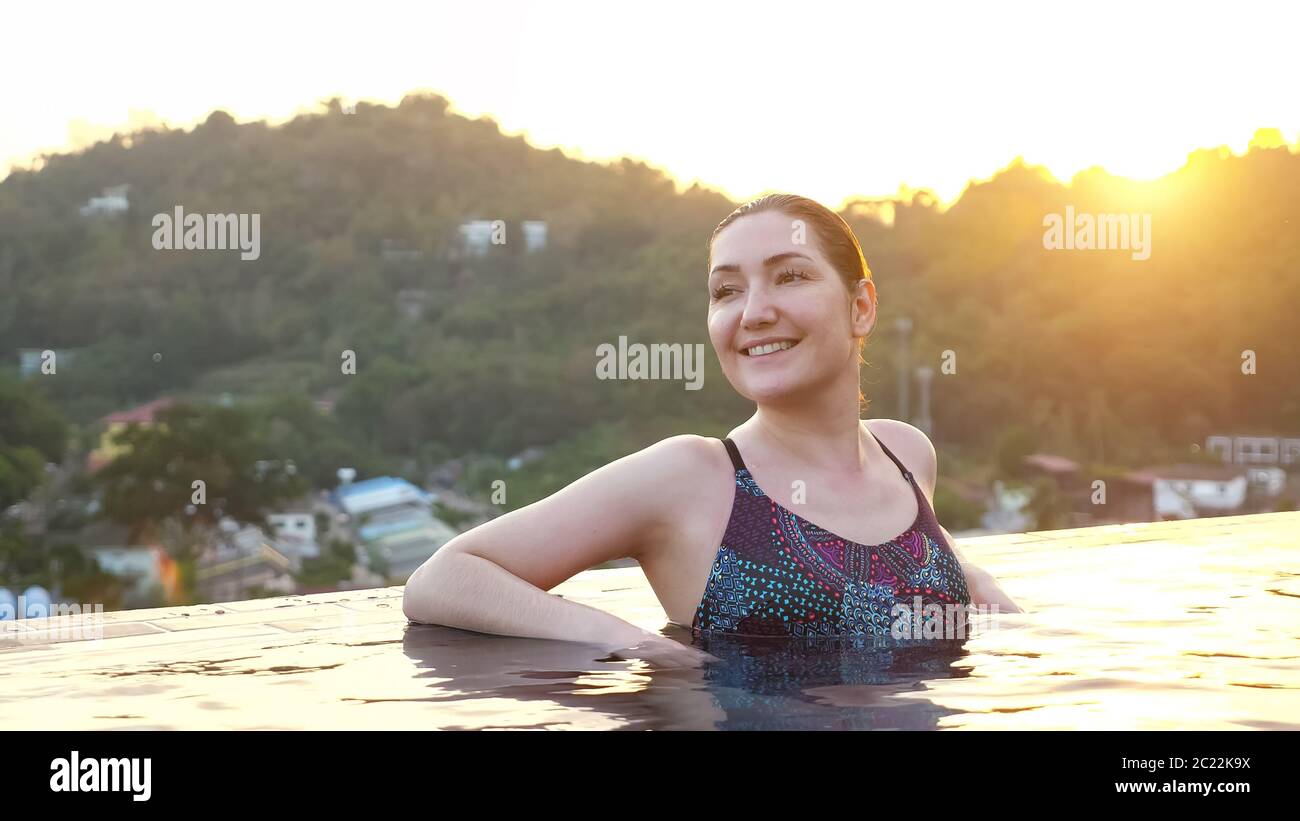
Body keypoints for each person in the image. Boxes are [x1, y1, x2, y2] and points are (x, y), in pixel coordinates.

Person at [403, 193, 1022, 668]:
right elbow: (442, 579)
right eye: (727, 290)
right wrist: (632, 642)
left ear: (861, 306)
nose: (753, 312)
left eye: (790, 276)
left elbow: (912, 572)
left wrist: (985, 593)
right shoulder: (692, 477)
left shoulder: (906, 453)